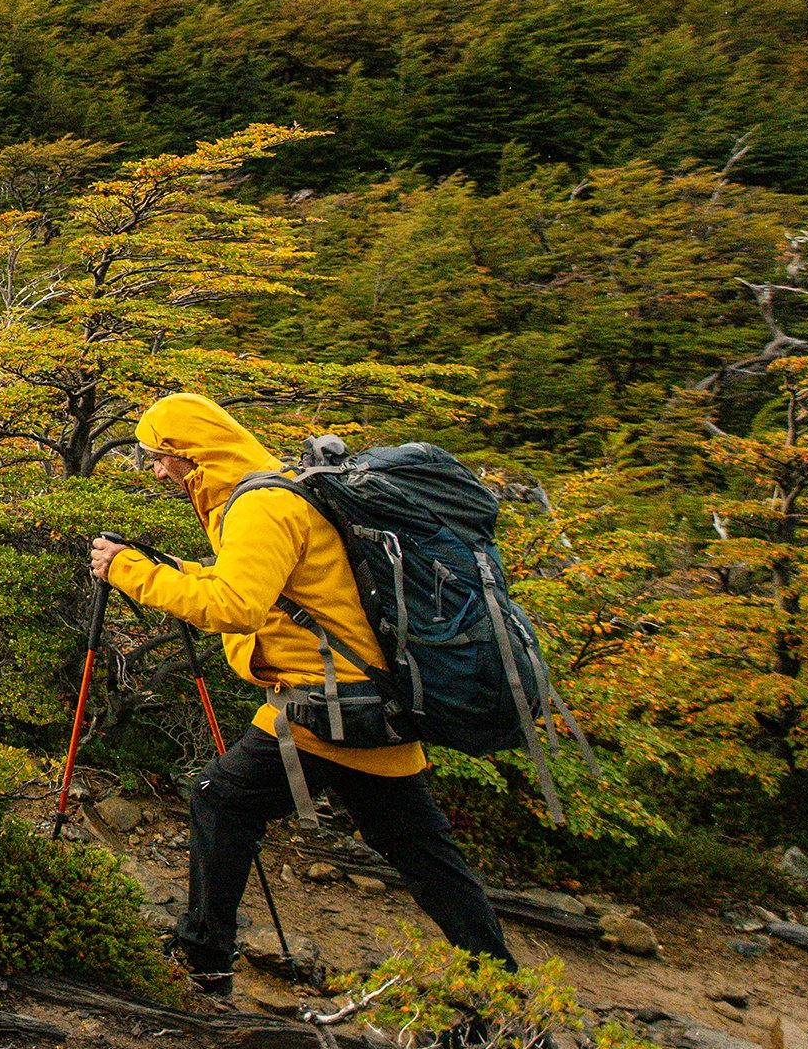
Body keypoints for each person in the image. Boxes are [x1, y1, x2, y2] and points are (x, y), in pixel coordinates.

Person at [85, 391, 514, 995]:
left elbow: (235, 606)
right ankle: (510, 999)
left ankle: (203, 961)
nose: (156, 471)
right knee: (425, 856)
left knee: (219, 799)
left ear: (190, 454)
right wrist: (177, 568)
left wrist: (131, 570)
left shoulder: (259, 507)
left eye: (158, 457)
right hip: (368, 702)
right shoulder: (277, 490)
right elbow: (271, 587)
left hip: (326, 707)